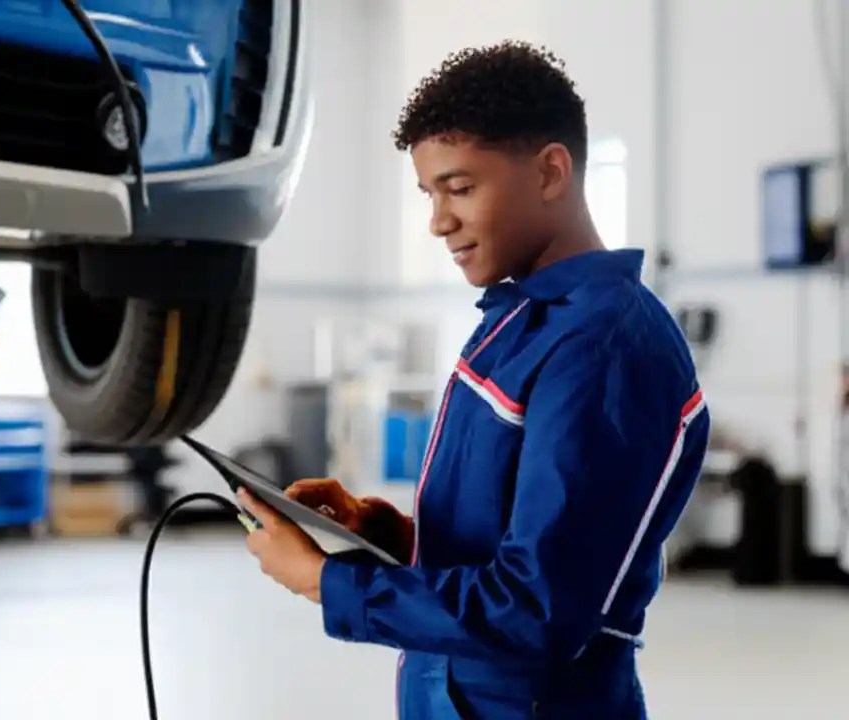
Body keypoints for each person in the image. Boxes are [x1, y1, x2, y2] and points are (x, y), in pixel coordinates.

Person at [237, 41, 709, 719]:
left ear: (550, 172)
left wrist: (328, 582)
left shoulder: (603, 348)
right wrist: (382, 533)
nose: (438, 222)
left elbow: (539, 609)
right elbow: (506, 542)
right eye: (430, 194)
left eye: (460, 188)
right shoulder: (520, 323)